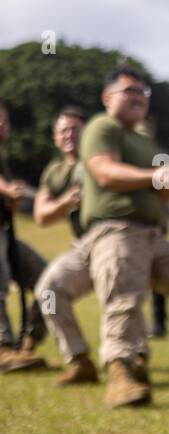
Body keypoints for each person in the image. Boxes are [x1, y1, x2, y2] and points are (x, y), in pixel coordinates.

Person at [77, 67, 169, 406]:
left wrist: (166, 186)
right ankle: (121, 375)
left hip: (153, 236)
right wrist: (153, 176)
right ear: (107, 97)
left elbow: (160, 193)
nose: (138, 98)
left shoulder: (144, 141)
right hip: (116, 230)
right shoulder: (102, 127)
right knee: (124, 299)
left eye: (143, 93)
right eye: (129, 90)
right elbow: (104, 171)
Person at [33, 106, 98, 384]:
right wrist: (66, 202)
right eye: (63, 130)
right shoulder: (55, 171)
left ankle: (133, 361)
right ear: (55, 137)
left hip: (120, 240)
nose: (70, 134)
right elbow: (41, 215)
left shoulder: (99, 157)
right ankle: (78, 359)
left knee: (120, 295)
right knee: (48, 290)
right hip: (83, 247)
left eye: (76, 129)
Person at [0, 99, 49, 372]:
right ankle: (2, 348)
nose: (0, 125)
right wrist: (7, 189)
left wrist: (11, 196)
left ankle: (28, 343)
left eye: (4, 120)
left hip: (6, 237)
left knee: (49, 280)